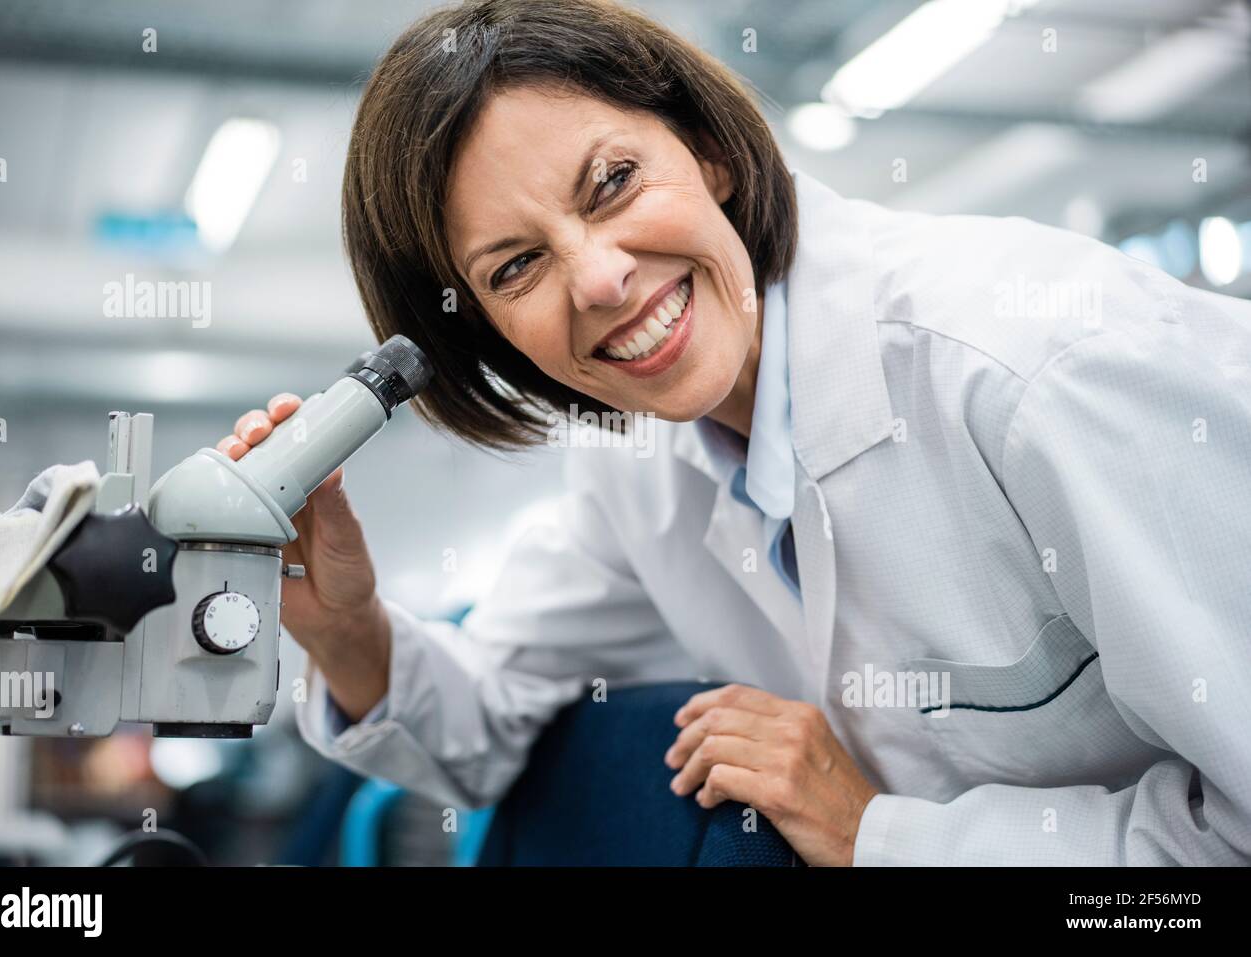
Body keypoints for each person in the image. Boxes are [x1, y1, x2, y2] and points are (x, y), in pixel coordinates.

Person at [216, 0, 1251, 865]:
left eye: (611, 183)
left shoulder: (1039, 368)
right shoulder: (639, 464)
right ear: (484, 337)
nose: (601, 278)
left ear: (707, 148)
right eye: (515, 268)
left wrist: (878, 837)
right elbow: (485, 732)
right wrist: (341, 625)